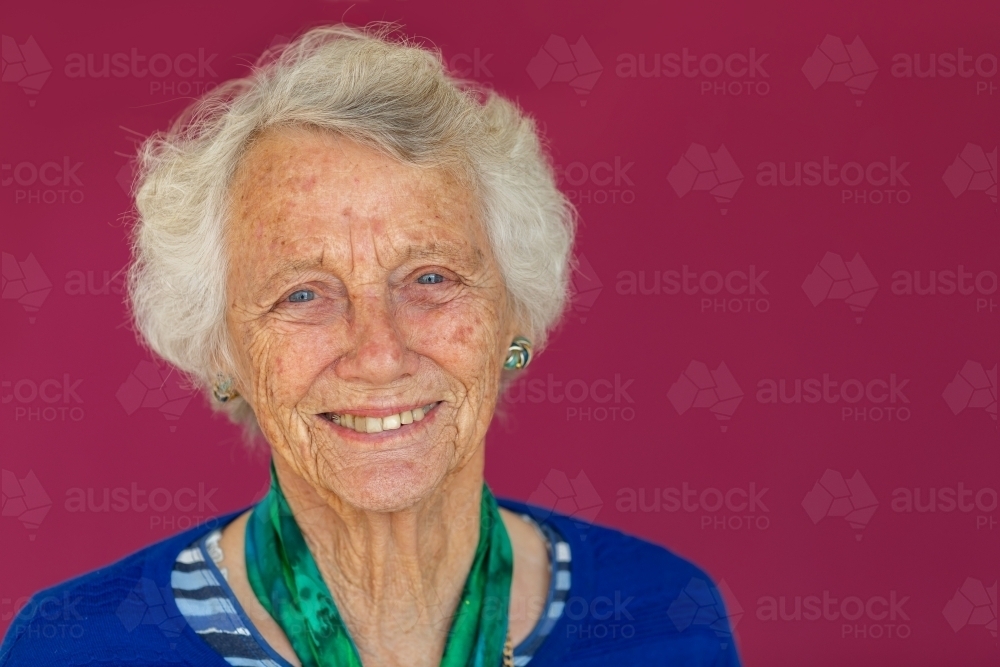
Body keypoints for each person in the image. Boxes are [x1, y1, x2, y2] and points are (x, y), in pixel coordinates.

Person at [1, 25, 740, 667]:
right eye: (303, 293)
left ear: (512, 320)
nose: (379, 351)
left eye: (430, 276)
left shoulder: (663, 615)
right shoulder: (77, 644)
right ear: (222, 350)